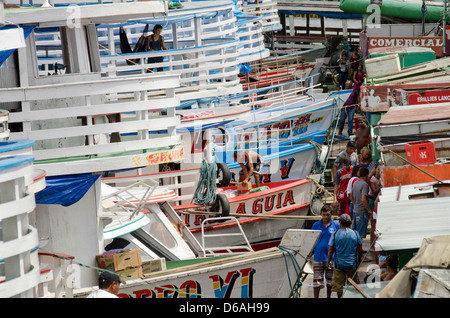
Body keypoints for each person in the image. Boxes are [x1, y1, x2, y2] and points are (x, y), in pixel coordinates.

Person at [327, 214, 363, 298]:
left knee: (339, 288)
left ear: (340, 223)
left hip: (339, 265)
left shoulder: (335, 234)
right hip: (352, 265)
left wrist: (328, 262)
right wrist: (359, 260)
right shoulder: (355, 233)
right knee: (353, 288)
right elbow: (360, 250)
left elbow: (331, 250)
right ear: (350, 223)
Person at [311, 205, 340, 298]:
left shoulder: (336, 225)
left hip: (331, 258)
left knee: (330, 281)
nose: (326, 217)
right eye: (324, 215)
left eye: (328, 215)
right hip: (318, 257)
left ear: (331, 214)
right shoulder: (315, 225)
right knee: (316, 282)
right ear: (320, 214)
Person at [350, 167, 373, 240]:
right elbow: (363, 199)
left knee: (355, 232)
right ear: (366, 175)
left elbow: (351, 196)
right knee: (360, 233)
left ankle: (357, 249)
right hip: (362, 211)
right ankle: (358, 250)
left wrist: (355, 203)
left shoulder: (355, 182)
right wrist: (369, 210)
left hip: (355, 210)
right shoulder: (365, 185)